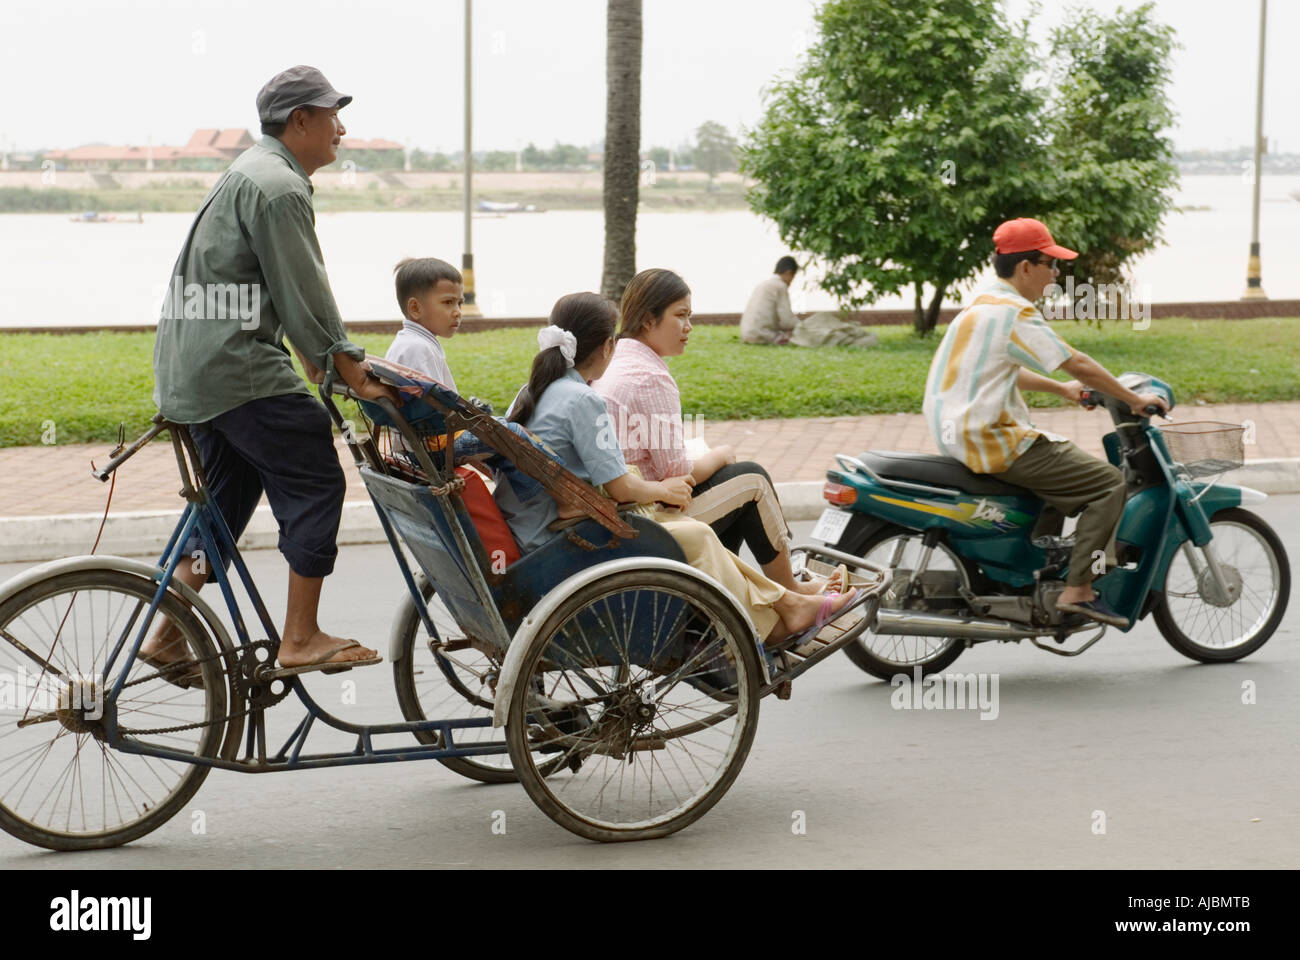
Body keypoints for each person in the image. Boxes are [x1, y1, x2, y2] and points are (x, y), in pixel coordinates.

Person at [143, 65, 397, 684]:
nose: (341, 127)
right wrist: (347, 367)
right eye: (330, 115)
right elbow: (304, 288)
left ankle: (167, 636)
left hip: (194, 372)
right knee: (315, 477)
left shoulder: (250, 171)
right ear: (299, 121)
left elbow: (267, 287)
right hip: (234, 369)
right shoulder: (280, 187)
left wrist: (317, 361)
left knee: (224, 501)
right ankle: (302, 637)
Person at [496, 292, 856, 644]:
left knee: (688, 528)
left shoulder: (535, 389)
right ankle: (773, 620)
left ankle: (790, 602)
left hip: (534, 525)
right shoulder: (583, 399)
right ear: (608, 345)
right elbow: (621, 487)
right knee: (697, 534)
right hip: (560, 536)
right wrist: (663, 490)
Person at [922, 217, 1168, 628]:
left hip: (957, 434)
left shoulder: (983, 304)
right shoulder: (1014, 312)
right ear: (1025, 267)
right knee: (1108, 484)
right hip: (990, 438)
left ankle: (1034, 572)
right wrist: (1135, 400)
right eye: (1050, 264)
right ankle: (1079, 590)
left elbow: (1003, 369)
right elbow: (1080, 362)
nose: (1055, 274)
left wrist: (1063, 390)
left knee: (1061, 473)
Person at [594, 268, 827, 595]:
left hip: (624, 503)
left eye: (690, 316)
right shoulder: (649, 377)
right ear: (648, 320)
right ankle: (790, 590)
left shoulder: (616, 359)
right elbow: (678, 473)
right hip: (646, 514)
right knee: (751, 479)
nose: (689, 327)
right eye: (680, 316)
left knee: (731, 484)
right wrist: (720, 454)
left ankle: (734, 599)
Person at [385, 257, 463, 390]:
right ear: (415, 308)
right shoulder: (418, 350)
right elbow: (434, 408)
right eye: (448, 302)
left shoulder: (411, 343)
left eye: (460, 303)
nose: (458, 312)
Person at [739, 256, 800, 345]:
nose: (791, 282)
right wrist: (803, 325)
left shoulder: (763, 285)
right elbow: (787, 321)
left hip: (746, 334)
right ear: (788, 273)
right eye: (792, 278)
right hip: (762, 335)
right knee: (798, 337)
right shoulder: (780, 286)